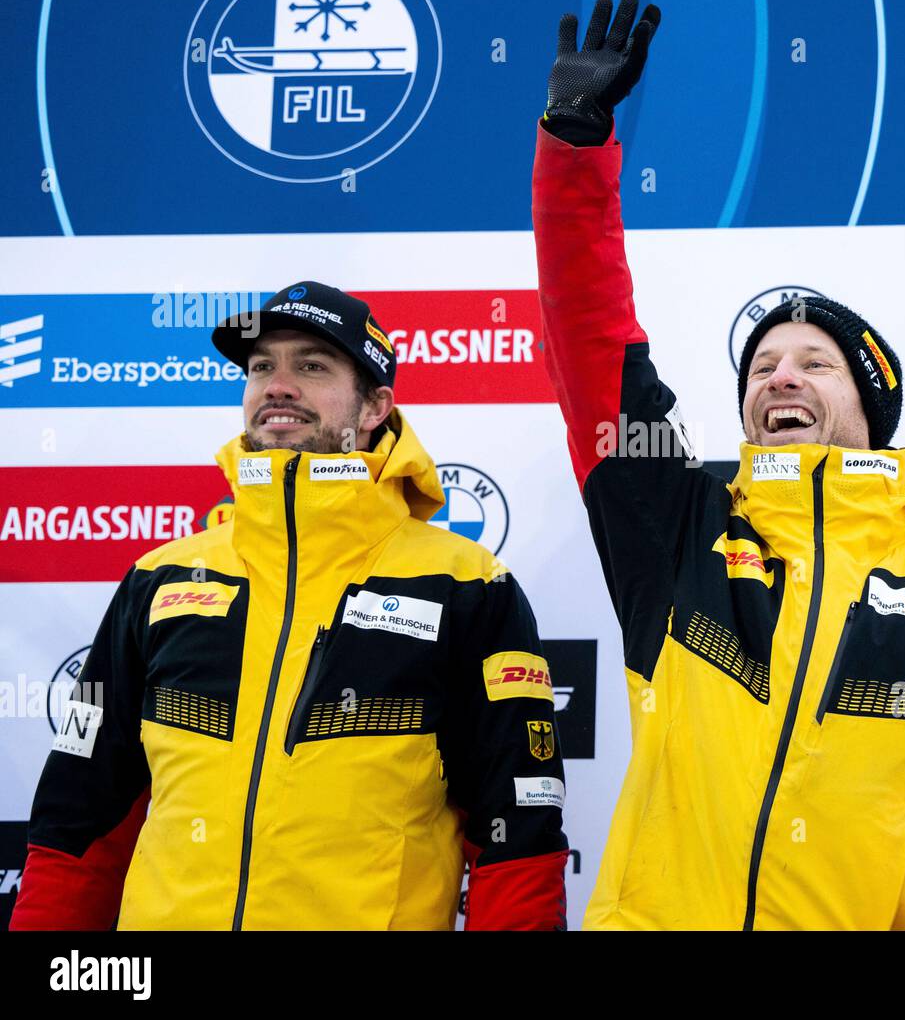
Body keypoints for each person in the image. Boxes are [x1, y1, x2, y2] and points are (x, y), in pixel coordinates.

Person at [532, 0, 905, 930]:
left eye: (812, 363)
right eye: (761, 368)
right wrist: (575, 148)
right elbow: (594, 344)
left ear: (869, 407)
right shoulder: (680, 522)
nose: (779, 377)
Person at [10, 282, 568, 931]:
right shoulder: (160, 579)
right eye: (261, 367)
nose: (277, 384)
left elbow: (517, 842)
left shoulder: (466, 585)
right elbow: (79, 826)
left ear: (374, 407)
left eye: (310, 366)